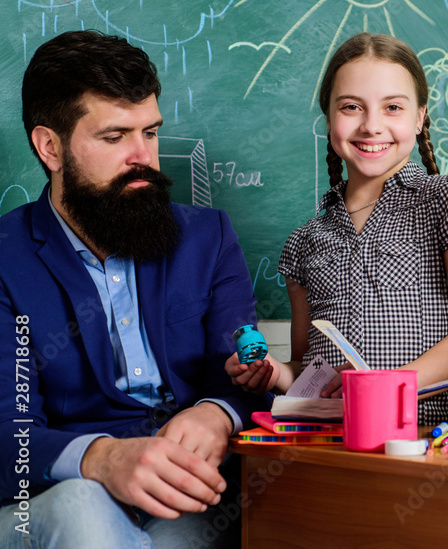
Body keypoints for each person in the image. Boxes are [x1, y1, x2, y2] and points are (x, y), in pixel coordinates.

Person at [0, 30, 270, 548]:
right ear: (49, 147)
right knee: (83, 507)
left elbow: (244, 369)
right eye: (115, 136)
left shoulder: (208, 237)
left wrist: (219, 413)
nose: (143, 156)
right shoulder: (5, 260)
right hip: (56, 496)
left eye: (150, 132)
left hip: (189, 486)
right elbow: (10, 434)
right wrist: (101, 458)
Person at [226, 33, 448, 425]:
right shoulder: (304, 240)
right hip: (324, 440)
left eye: (392, 108)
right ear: (329, 118)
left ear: (419, 117)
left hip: (420, 438)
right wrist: (275, 372)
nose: (371, 125)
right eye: (351, 107)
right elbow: (308, 369)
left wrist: (385, 386)